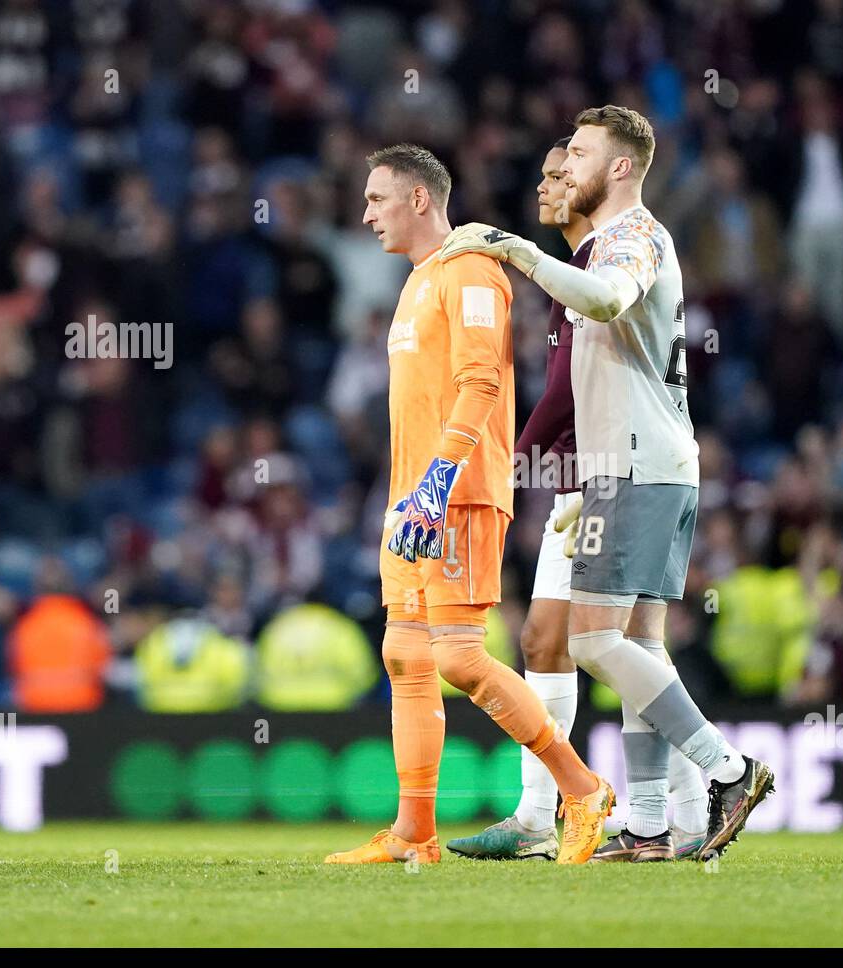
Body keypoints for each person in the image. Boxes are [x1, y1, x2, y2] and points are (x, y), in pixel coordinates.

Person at [441, 106, 773, 860]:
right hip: (639, 463)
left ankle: (728, 767)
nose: (565, 167)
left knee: (591, 638)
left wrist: (515, 250)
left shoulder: (631, 236)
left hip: (636, 464)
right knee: (637, 643)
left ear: (620, 167)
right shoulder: (617, 240)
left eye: (581, 154)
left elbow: (608, 299)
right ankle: (656, 823)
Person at [323, 144, 613, 867]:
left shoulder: (473, 269)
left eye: (376, 198)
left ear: (419, 198)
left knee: (457, 656)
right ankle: (414, 834)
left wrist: (438, 482)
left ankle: (581, 788)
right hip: (411, 502)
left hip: (455, 494)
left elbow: (482, 384)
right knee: (404, 653)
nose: (365, 214)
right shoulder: (419, 280)